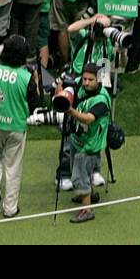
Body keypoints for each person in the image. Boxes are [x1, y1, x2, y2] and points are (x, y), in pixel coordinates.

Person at [0, 34, 38, 217]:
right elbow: (35, 104)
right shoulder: (26, 77)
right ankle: (10, 208)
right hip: (16, 127)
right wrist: (35, 81)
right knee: (13, 167)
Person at [58, 63, 112, 224]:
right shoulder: (80, 86)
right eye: (84, 79)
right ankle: (90, 194)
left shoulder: (102, 100)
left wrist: (70, 110)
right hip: (77, 139)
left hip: (89, 145)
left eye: (90, 80)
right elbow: (65, 88)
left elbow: (88, 118)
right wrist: (60, 87)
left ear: (99, 80)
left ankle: (87, 210)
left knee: (79, 175)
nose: (86, 83)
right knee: (79, 170)